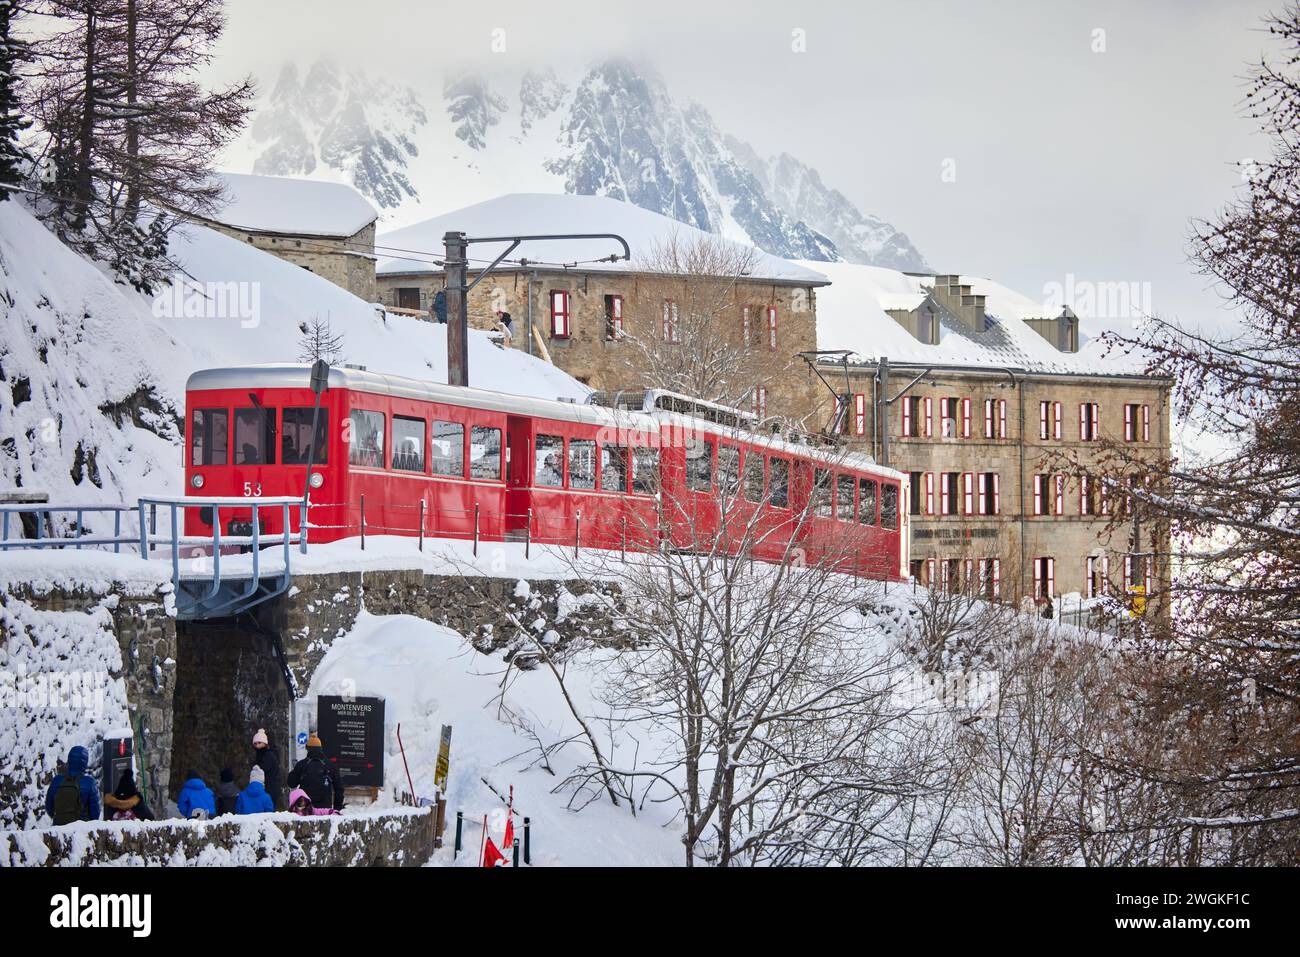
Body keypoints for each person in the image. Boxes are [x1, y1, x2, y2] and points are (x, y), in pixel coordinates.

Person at [287, 733, 345, 812]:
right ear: (321, 748)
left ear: (307, 748)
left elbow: (291, 783)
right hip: (325, 809)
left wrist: (294, 770)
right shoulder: (330, 765)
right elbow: (339, 788)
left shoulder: (301, 765)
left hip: (306, 808)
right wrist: (337, 808)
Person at [44, 745, 100, 824]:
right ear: (84, 762)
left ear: (69, 759)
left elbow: (49, 807)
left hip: (59, 829)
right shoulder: (89, 782)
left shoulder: (57, 780)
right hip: (81, 830)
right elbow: (95, 814)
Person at [252, 728, 282, 810]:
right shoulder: (265, 754)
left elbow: (263, 769)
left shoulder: (268, 755)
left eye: (259, 743)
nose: (257, 746)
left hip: (270, 787)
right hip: (269, 787)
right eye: (255, 743)